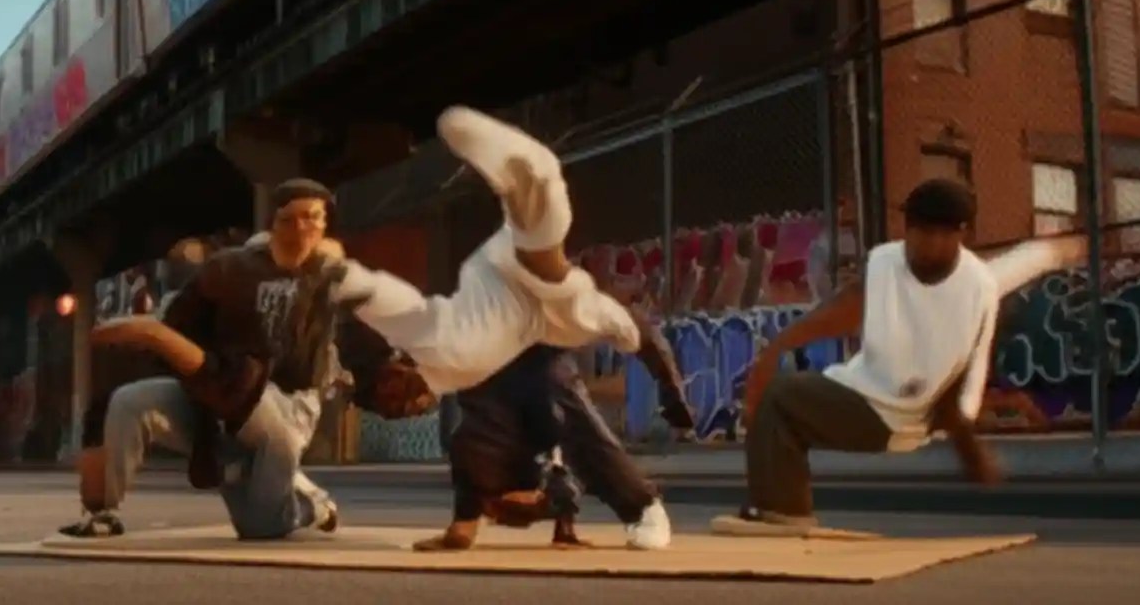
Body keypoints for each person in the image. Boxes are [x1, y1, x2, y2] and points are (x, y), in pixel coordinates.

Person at [320, 106, 672, 542]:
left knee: (549, 289)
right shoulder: (457, 385)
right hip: (517, 329)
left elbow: (386, 301)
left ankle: (641, 506)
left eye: (404, 402)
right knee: (491, 433)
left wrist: (335, 274)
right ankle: (628, 505)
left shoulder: (434, 344)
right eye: (407, 407)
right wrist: (463, 528)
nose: (412, 405)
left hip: (530, 308)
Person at [716, 178, 1088, 535]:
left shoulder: (977, 289)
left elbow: (963, 382)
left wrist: (970, 451)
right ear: (907, 229)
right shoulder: (884, 261)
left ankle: (782, 511)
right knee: (782, 398)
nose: (931, 246)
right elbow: (844, 307)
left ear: (962, 236)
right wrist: (777, 347)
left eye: (945, 236)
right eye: (922, 234)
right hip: (863, 390)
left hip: (902, 414)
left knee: (782, 397)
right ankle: (786, 505)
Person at [60, 179, 354, 540]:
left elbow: (358, 342)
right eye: (290, 220)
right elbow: (173, 336)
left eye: (311, 219)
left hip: (284, 409)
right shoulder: (224, 277)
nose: (300, 230)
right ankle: (104, 513)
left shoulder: (325, 282)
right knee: (129, 401)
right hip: (217, 401)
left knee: (259, 526)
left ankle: (313, 503)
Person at [410, 308, 693, 552]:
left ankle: (642, 506)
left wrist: (671, 388)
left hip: (547, 381)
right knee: (475, 433)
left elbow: (637, 328)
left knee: (569, 417)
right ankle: (467, 519)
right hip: (492, 384)